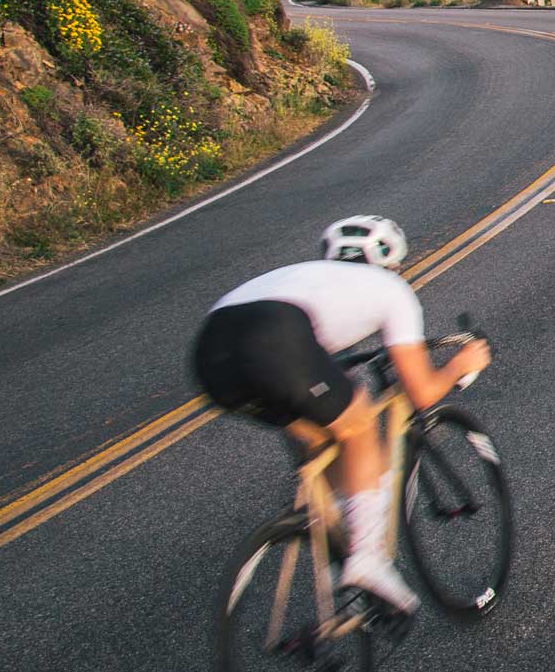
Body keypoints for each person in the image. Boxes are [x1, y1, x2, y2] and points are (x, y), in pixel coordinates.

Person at [191, 215, 490, 613]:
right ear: (391, 262)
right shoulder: (391, 288)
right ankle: (365, 559)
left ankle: (336, 555)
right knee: (361, 422)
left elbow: (312, 365)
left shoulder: (308, 276)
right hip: (274, 338)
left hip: (212, 352)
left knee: (324, 434)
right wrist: (461, 363)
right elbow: (421, 393)